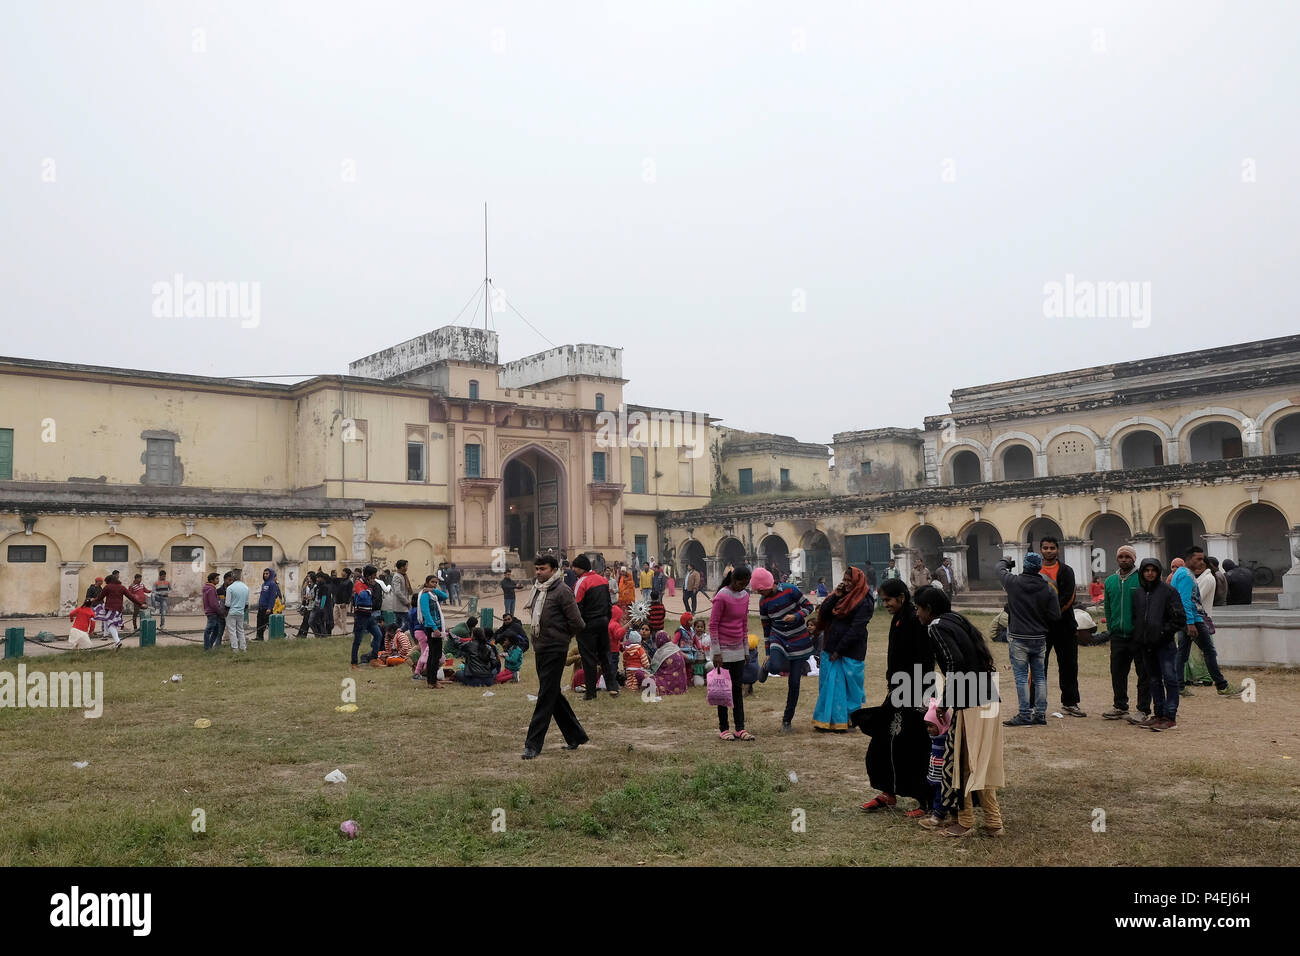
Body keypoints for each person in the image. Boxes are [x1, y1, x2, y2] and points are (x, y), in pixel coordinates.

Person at [914, 586, 1004, 838]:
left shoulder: (936, 626)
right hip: (988, 696)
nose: (917, 614)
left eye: (918, 608)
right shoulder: (957, 619)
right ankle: (994, 823)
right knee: (981, 763)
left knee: (961, 764)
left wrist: (945, 702)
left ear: (928, 609)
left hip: (970, 702)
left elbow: (955, 663)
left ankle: (964, 822)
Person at [856, 576, 936, 815]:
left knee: (914, 746)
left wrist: (921, 694)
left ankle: (925, 800)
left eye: (888, 600)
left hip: (915, 691)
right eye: (883, 600)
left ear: (901, 598)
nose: (886, 604)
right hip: (898, 691)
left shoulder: (916, 620)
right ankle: (888, 792)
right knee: (883, 741)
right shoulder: (898, 619)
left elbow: (925, 660)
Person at [521, 554, 588, 759]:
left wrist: (561, 637)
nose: (539, 572)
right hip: (540, 648)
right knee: (552, 693)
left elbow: (578, 623)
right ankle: (576, 735)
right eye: (537, 569)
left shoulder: (562, 591)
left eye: (543, 569)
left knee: (545, 695)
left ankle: (533, 744)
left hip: (555, 649)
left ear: (554, 570)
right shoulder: (538, 589)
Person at [996, 553, 1060, 726]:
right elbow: (1055, 615)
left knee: (1022, 678)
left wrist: (1006, 561)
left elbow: (998, 569)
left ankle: (1024, 714)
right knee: (1040, 678)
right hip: (1039, 638)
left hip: (1018, 637)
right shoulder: (1047, 587)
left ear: (1024, 565)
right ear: (1039, 567)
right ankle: (1040, 714)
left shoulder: (1013, 582)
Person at [1171, 547, 1240, 698]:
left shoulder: (1184, 573)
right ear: (1189, 560)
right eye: (1198, 559)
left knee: (1182, 653)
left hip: (1188, 619)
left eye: (1203, 559)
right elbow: (1185, 600)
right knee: (1209, 651)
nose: (1202, 562)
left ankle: (1178, 686)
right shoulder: (1186, 575)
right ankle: (1222, 686)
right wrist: (1190, 623)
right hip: (1193, 619)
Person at [810, 566, 873, 732]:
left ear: (857, 582)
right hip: (831, 647)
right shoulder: (840, 596)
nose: (845, 584)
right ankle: (831, 721)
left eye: (849, 581)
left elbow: (856, 629)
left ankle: (849, 719)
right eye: (844, 580)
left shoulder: (864, 601)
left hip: (851, 650)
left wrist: (839, 651)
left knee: (851, 686)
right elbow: (823, 614)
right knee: (830, 685)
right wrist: (834, 597)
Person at [753, 566, 815, 733]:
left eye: (760, 591)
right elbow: (766, 627)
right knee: (775, 666)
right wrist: (767, 653)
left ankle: (787, 721)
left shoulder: (791, 590)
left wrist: (796, 616)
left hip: (798, 640)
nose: (759, 594)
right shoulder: (763, 602)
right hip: (777, 637)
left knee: (794, 683)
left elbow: (810, 607)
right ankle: (767, 667)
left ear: (767, 585)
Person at [1132, 558, 1186, 731]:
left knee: (1170, 679)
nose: (1150, 573)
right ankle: (1158, 714)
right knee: (1154, 680)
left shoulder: (1168, 592)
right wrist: (1140, 636)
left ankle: (1169, 717)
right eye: (1146, 570)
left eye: (1153, 570)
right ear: (1142, 572)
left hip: (1164, 644)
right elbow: (1137, 618)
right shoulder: (1139, 593)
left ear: (1158, 572)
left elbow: (1179, 618)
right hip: (1146, 644)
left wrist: (1163, 632)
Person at [708, 565, 756, 741]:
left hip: (738, 650)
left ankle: (740, 728)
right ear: (734, 580)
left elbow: (744, 624)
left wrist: (745, 650)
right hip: (723, 650)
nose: (743, 587)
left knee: (737, 689)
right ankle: (724, 728)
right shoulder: (721, 597)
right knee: (722, 690)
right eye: (741, 583)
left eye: (746, 584)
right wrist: (717, 652)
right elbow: (713, 625)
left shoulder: (745, 596)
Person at [1038, 536, 1084, 717]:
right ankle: (1037, 704)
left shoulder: (1066, 570)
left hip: (1064, 625)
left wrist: (1052, 614)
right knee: (1039, 666)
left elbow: (1069, 597)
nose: (1049, 551)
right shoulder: (1035, 571)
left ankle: (1070, 702)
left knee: (1068, 665)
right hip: (1041, 627)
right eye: (1045, 548)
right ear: (1040, 550)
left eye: (1052, 548)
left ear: (1058, 550)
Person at [1102, 546, 1148, 723]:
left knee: (1143, 673)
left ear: (1134, 559)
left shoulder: (1141, 579)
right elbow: (1107, 606)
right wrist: (1111, 627)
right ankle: (1120, 706)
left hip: (1138, 636)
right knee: (1118, 672)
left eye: (1127, 556)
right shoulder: (1111, 581)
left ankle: (1143, 709)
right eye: (1120, 556)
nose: (1123, 559)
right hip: (1117, 636)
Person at [573, 553, 619, 699]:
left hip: (587, 625)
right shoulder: (602, 580)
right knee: (605, 655)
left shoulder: (581, 582)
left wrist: (577, 627)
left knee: (588, 658)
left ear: (581, 568)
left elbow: (576, 607)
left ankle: (591, 692)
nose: (573, 570)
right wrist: (607, 619)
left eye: (575, 568)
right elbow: (608, 603)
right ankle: (612, 687)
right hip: (603, 622)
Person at [918, 699, 952, 831]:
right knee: (938, 795)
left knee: (941, 796)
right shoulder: (934, 739)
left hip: (943, 777)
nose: (928, 729)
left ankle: (937, 817)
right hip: (935, 775)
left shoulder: (946, 740)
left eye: (931, 726)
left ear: (942, 724)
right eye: (927, 726)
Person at [94, 571, 145, 650]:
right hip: (119, 609)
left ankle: (117, 642)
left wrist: (90, 602)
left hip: (110, 608)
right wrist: (140, 604)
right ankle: (116, 641)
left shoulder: (108, 587)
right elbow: (131, 597)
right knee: (112, 624)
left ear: (109, 581)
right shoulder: (122, 587)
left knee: (110, 624)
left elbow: (100, 597)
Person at [416, 575, 450, 687]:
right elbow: (426, 613)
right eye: (432, 582)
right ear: (426, 582)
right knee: (434, 655)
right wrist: (435, 628)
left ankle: (432, 680)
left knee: (436, 654)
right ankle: (432, 681)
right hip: (432, 627)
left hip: (438, 626)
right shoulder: (425, 595)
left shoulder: (433, 594)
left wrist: (433, 589)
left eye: (436, 582)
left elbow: (445, 596)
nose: (434, 584)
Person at [351, 565, 385, 669]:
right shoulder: (359, 583)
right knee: (357, 641)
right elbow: (363, 596)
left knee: (378, 635)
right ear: (368, 575)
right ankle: (354, 663)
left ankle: (373, 659)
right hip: (361, 616)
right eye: (374, 575)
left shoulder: (369, 584)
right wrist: (370, 588)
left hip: (369, 615)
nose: (375, 577)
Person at [649, 631, 689, 695]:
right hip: (681, 685)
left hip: (667, 684)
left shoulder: (660, 652)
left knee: (646, 676)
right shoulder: (675, 647)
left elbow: (653, 669)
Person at [224, 569, 250, 652]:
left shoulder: (230, 588)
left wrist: (225, 613)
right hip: (241, 612)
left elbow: (227, 604)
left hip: (231, 612)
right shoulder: (246, 587)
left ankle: (235, 648)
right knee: (241, 630)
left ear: (233, 576)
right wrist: (242, 610)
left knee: (232, 631)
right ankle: (243, 648)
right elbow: (246, 603)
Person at [255, 568, 281, 641]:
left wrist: (270, 608)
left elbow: (272, 597)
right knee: (259, 623)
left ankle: (278, 636)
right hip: (261, 607)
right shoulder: (264, 584)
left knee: (269, 624)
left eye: (267, 573)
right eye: (264, 573)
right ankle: (259, 637)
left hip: (267, 608)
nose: (265, 575)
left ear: (271, 574)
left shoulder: (272, 584)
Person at [202, 572, 225, 650]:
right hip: (213, 612)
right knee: (209, 630)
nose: (218, 580)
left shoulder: (208, 588)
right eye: (217, 579)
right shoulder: (211, 589)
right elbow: (213, 603)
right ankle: (207, 647)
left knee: (216, 630)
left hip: (211, 611)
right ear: (212, 580)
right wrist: (220, 612)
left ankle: (209, 646)